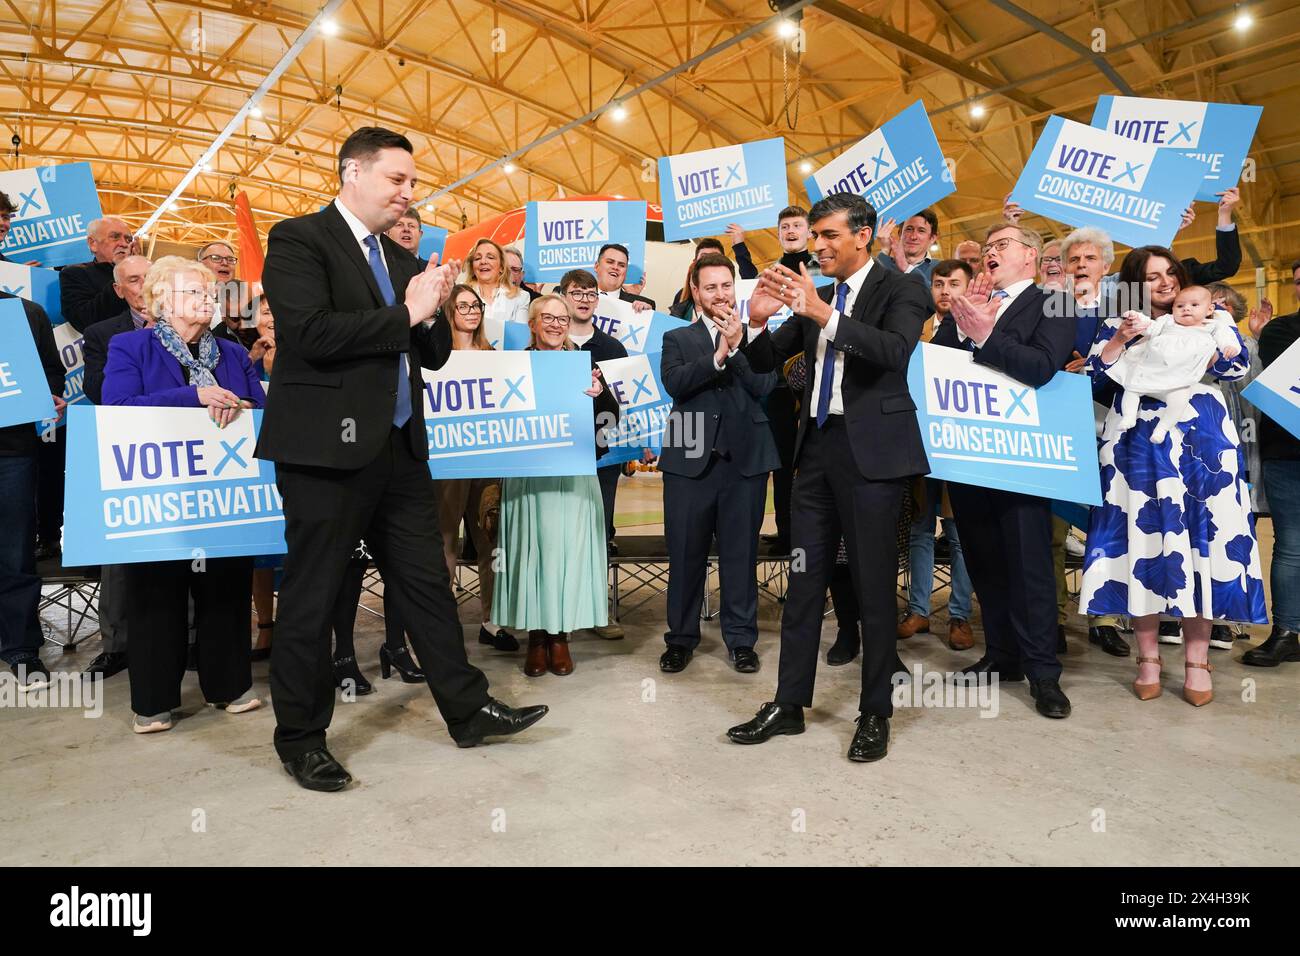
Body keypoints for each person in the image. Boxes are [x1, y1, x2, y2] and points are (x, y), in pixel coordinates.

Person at [257, 126, 547, 792]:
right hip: (326, 454)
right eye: (397, 180)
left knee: (426, 586)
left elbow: (434, 353)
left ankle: (468, 710)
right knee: (314, 595)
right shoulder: (299, 238)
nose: (408, 193)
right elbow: (309, 334)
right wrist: (405, 310)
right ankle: (300, 738)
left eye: (413, 183)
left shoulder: (397, 256)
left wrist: (435, 305)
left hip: (398, 446)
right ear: (351, 172)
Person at [726, 192, 930, 763]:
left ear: (862, 235)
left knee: (871, 588)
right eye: (814, 237)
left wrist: (820, 313)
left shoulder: (901, 288)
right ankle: (788, 704)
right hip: (813, 451)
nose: (817, 247)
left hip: (872, 457)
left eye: (829, 236)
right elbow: (766, 365)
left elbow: (893, 352)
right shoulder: (822, 295)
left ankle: (875, 713)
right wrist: (758, 323)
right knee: (804, 583)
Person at [1079, 246, 1267, 705]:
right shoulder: (1119, 324)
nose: (1164, 283)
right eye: (1151, 277)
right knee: (1143, 543)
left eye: (1170, 273)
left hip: (1203, 439)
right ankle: (1147, 657)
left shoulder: (1210, 316)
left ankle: (1197, 660)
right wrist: (1124, 340)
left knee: (1201, 543)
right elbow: (1093, 372)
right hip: (1136, 443)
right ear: (1134, 285)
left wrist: (1210, 334)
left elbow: (1235, 364)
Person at [101, 256, 266, 732]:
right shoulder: (130, 346)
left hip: (223, 494)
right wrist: (194, 397)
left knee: (225, 590)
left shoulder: (233, 353)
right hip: (159, 495)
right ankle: (153, 703)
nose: (208, 299)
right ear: (161, 301)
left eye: (210, 293)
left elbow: (261, 406)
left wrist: (241, 403)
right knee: (156, 597)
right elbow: (118, 407)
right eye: (195, 292)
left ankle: (229, 686)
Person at [931, 223, 1075, 719]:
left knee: (1028, 563)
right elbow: (940, 364)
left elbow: (1040, 367)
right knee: (984, 560)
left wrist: (986, 334)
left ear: (1031, 257)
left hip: (1023, 457)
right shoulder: (967, 304)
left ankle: (1043, 672)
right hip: (971, 454)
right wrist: (960, 319)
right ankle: (1001, 655)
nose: (990, 253)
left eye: (1002, 245)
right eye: (987, 247)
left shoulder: (1054, 302)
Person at [658, 253, 778, 674]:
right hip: (688, 460)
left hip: (745, 463)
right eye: (710, 287)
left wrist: (739, 346)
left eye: (726, 285)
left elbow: (766, 385)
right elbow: (675, 383)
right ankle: (681, 639)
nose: (719, 294)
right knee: (686, 556)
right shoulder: (677, 338)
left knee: (740, 556)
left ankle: (742, 640)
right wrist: (717, 356)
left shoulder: (757, 336)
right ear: (695, 291)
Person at [492, 294, 619, 677]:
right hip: (528, 474)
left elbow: (611, 420)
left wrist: (598, 401)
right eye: (546, 317)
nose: (555, 324)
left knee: (567, 554)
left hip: (573, 476)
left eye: (561, 318)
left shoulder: (586, 365)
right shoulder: (513, 365)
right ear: (532, 323)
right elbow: (497, 418)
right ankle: (536, 637)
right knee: (534, 553)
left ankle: (561, 637)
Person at [78, 253, 152, 681]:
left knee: (190, 548)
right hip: (125, 453)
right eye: (134, 280)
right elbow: (97, 390)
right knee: (121, 551)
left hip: (189, 453)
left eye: (149, 278)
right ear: (119, 289)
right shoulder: (101, 333)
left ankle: (193, 638)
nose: (143, 286)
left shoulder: (199, 329)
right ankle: (117, 645)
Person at [896, 260, 976, 651]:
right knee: (920, 530)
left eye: (954, 283)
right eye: (939, 283)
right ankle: (919, 610)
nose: (945, 290)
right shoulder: (914, 327)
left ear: (969, 286)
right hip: (919, 443)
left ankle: (960, 616)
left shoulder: (978, 327)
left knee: (960, 534)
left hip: (962, 445)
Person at [1058, 226, 1129, 656]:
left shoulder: (1127, 310)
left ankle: (1104, 618)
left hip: (1110, 427)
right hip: (1061, 426)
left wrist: (1100, 366)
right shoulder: (1050, 308)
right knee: (1053, 526)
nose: (1081, 266)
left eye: (1089, 259)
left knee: (1104, 524)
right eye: (1074, 260)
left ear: (1107, 265)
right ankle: (1052, 620)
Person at [730, 207, 819, 554]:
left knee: (793, 467)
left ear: (809, 231)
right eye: (785, 227)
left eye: (798, 225)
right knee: (772, 463)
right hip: (769, 381)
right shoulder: (771, 273)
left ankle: (797, 536)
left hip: (800, 387)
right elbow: (750, 284)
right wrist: (739, 247)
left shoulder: (820, 273)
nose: (792, 230)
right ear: (779, 233)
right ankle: (785, 533)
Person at [433, 283, 510, 650]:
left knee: (491, 541)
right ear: (449, 311)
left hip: (488, 463)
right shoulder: (434, 356)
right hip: (448, 464)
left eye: (475, 305)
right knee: (445, 542)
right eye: (463, 306)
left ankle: (492, 620)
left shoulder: (492, 354)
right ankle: (441, 624)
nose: (471, 312)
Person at [559, 269, 633, 642]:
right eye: (577, 292)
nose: (585, 298)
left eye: (590, 292)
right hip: (558, 456)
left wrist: (601, 394)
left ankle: (597, 610)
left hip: (602, 456)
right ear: (563, 295)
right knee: (560, 533)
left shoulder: (612, 349)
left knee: (598, 532)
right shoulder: (549, 343)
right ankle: (558, 612)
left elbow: (621, 409)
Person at [0, 289, 65, 690]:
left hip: (12, 452)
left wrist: (48, 397)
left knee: (14, 553)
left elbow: (51, 371)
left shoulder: (24, 312)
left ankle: (21, 648)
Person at [1244, 258, 1300, 667]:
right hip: (1287, 452)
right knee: (1292, 546)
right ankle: (1287, 633)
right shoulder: (1280, 330)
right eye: (1298, 282)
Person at [1107, 290, 1241, 442]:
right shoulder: (1167, 321)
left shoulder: (1213, 326)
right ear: (1173, 309)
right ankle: (1128, 417)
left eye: (1194, 305)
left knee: (1179, 400)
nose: (1186, 309)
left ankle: (1162, 429)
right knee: (1131, 389)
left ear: (1209, 309)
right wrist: (1136, 318)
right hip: (1153, 370)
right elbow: (1150, 327)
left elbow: (1226, 337)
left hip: (1180, 378)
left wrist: (1229, 347)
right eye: (1180, 306)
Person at [58, 217, 133, 332]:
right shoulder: (75, 274)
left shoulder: (146, 272)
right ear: (93, 243)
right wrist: (122, 272)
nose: (124, 243)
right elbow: (83, 320)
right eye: (115, 237)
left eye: (128, 239)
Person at [461, 237, 529, 344]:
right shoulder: (460, 296)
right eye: (477, 258)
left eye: (490, 257)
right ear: (473, 268)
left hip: (508, 358)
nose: (483, 261)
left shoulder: (521, 297)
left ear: (502, 267)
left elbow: (520, 340)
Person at [875, 209, 940, 284]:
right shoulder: (885, 265)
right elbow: (871, 288)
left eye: (921, 231)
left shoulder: (940, 268)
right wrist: (885, 249)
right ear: (900, 234)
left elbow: (935, 294)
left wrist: (907, 268)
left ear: (932, 238)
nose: (913, 237)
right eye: (909, 229)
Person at [670, 238, 726, 312]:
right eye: (703, 257)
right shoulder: (681, 295)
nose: (709, 261)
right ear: (694, 263)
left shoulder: (734, 294)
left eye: (715, 257)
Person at [594, 243, 653, 310]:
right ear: (596, 266)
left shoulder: (644, 304)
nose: (615, 267)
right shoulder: (580, 296)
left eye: (621, 265)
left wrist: (646, 313)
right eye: (610, 262)